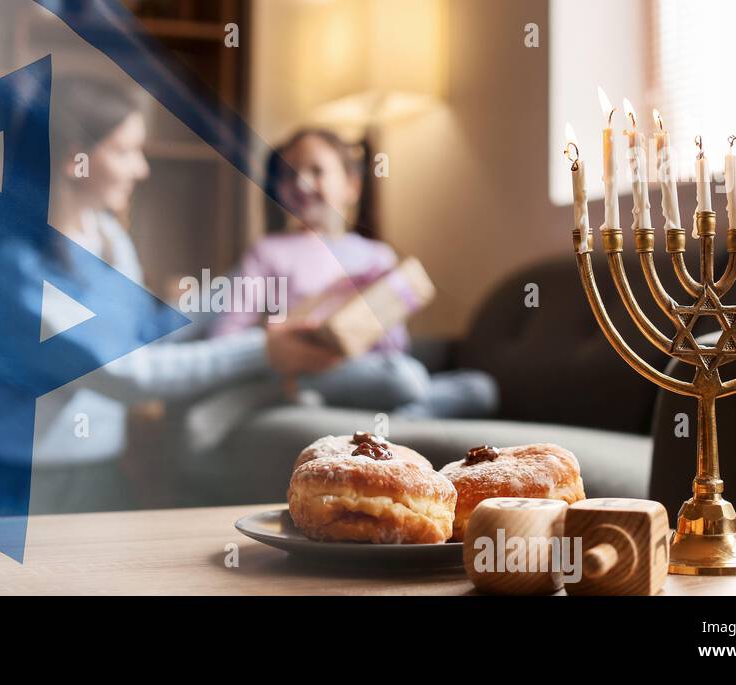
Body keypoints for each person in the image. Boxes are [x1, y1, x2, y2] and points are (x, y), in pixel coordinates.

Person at [29, 78, 341, 513]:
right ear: (72, 160)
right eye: (123, 152)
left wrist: (246, 281)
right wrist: (263, 349)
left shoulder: (108, 236)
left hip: (101, 467)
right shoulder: (20, 264)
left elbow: (145, 336)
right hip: (29, 483)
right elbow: (125, 373)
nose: (142, 169)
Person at [211, 127, 498, 418]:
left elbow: (396, 348)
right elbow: (225, 338)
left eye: (317, 171)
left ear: (352, 186)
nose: (301, 183)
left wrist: (374, 312)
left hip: (372, 372)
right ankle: (382, 421)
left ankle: (380, 426)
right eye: (288, 174)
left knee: (479, 388)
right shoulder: (268, 251)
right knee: (402, 378)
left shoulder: (377, 256)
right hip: (310, 372)